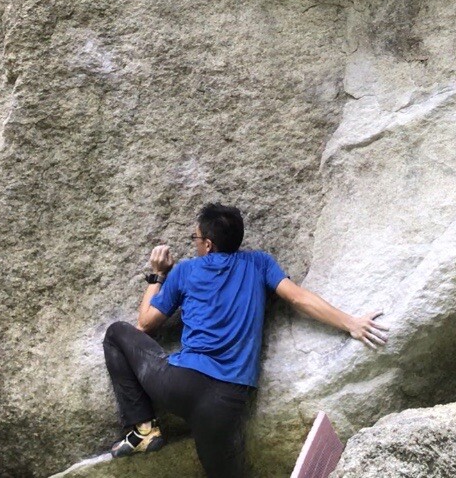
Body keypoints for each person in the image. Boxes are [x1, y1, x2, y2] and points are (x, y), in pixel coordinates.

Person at [102, 203, 388, 477]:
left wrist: (158, 275)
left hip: (180, 383)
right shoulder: (259, 264)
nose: (195, 244)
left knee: (116, 333)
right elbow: (299, 298)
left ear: (208, 244)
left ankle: (143, 429)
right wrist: (350, 323)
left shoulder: (186, 271)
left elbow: (144, 324)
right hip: (227, 401)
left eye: (196, 238)